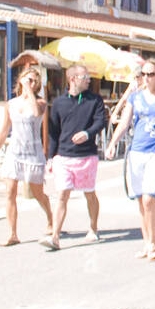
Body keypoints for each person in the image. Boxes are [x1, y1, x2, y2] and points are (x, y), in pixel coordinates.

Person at [106, 60, 155, 261]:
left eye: (151, 74)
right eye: (144, 74)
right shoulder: (136, 97)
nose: (147, 78)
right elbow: (124, 123)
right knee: (141, 200)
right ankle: (147, 242)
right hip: (137, 151)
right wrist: (113, 143)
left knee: (149, 198)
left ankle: (153, 242)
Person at [42, 64, 107, 250]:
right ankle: (55, 237)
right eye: (84, 77)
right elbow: (54, 132)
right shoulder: (59, 103)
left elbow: (100, 122)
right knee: (62, 194)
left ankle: (93, 228)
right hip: (63, 156)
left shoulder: (95, 100)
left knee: (89, 193)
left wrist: (87, 133)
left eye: (88, 77)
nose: (88, 80)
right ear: (72, 79)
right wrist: (50, 157)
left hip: (87, 155)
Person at [0, 67, 53, 246]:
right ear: (20, 80)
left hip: (33, 152)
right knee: (10, 191)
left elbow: (36, 113)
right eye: (27, 79)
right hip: (14, 151)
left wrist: (30, 92)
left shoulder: (40, 102)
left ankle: (50, 219)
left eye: (33, 81)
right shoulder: (11, 104)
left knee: (37, 192)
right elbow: (5, 129)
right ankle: (13, 233)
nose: (29, 83)